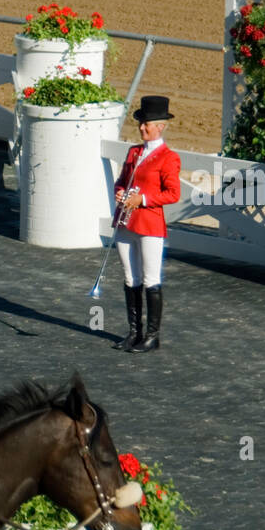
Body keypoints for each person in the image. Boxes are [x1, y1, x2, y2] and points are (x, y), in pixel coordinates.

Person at [112, 95, 181, 353]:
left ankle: (152, 336)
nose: (142, 128)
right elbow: (121, 180)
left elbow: (173, 193)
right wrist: (119, 192)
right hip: (125, 221)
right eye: (141, 123)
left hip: (149, 223)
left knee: (151, 278)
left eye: (147, 124)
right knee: (131, 278)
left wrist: (143, 199)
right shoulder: (133, 152)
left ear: (161, 126)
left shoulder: (168, 158)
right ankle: (134, 332)